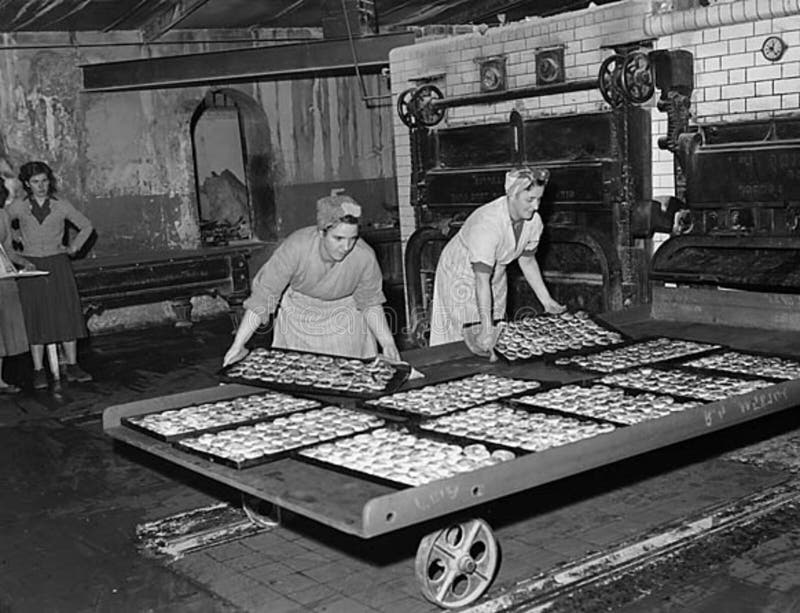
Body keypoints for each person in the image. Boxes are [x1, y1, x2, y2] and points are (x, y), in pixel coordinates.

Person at [223, 190, 401, 366]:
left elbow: (370, 302)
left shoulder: (364, 257)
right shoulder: (296, 248)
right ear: (321, 233)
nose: (346, 246)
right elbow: (263, 298)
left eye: (352, 238)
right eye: (338, 238)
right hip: (299, 321)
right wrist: (238, 345)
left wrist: (387, 343)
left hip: (345, 324)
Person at [429, 166, 566, 350]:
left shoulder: (534, 221)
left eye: (539, 199)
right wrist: (485, 327)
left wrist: (547, 301)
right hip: (462, 273)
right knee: (467, 337)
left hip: (496, 271)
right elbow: (481, 279)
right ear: (512, 195)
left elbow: (527, 261)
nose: (536, 206)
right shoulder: (487, 224)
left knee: (497, 336)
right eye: (530, 199)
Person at [6, 161, 94, 391]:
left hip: (58, 264)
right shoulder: (18, 207)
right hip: (31, 265)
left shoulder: (61, 205)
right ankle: (38, 370)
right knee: (36, 316)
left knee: (65, 313)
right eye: (35, 182)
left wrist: (73, 248)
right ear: (27, 183)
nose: (41, 186)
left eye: (44, 180)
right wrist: (15, 236)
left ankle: (73, 365)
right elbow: (3, 224)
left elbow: (86, 226)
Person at [0, 177, 35, 394]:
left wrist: (26, 263)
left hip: (3, 276)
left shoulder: (2, 215)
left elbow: (9, 249)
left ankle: (0, 381)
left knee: (4, 329)